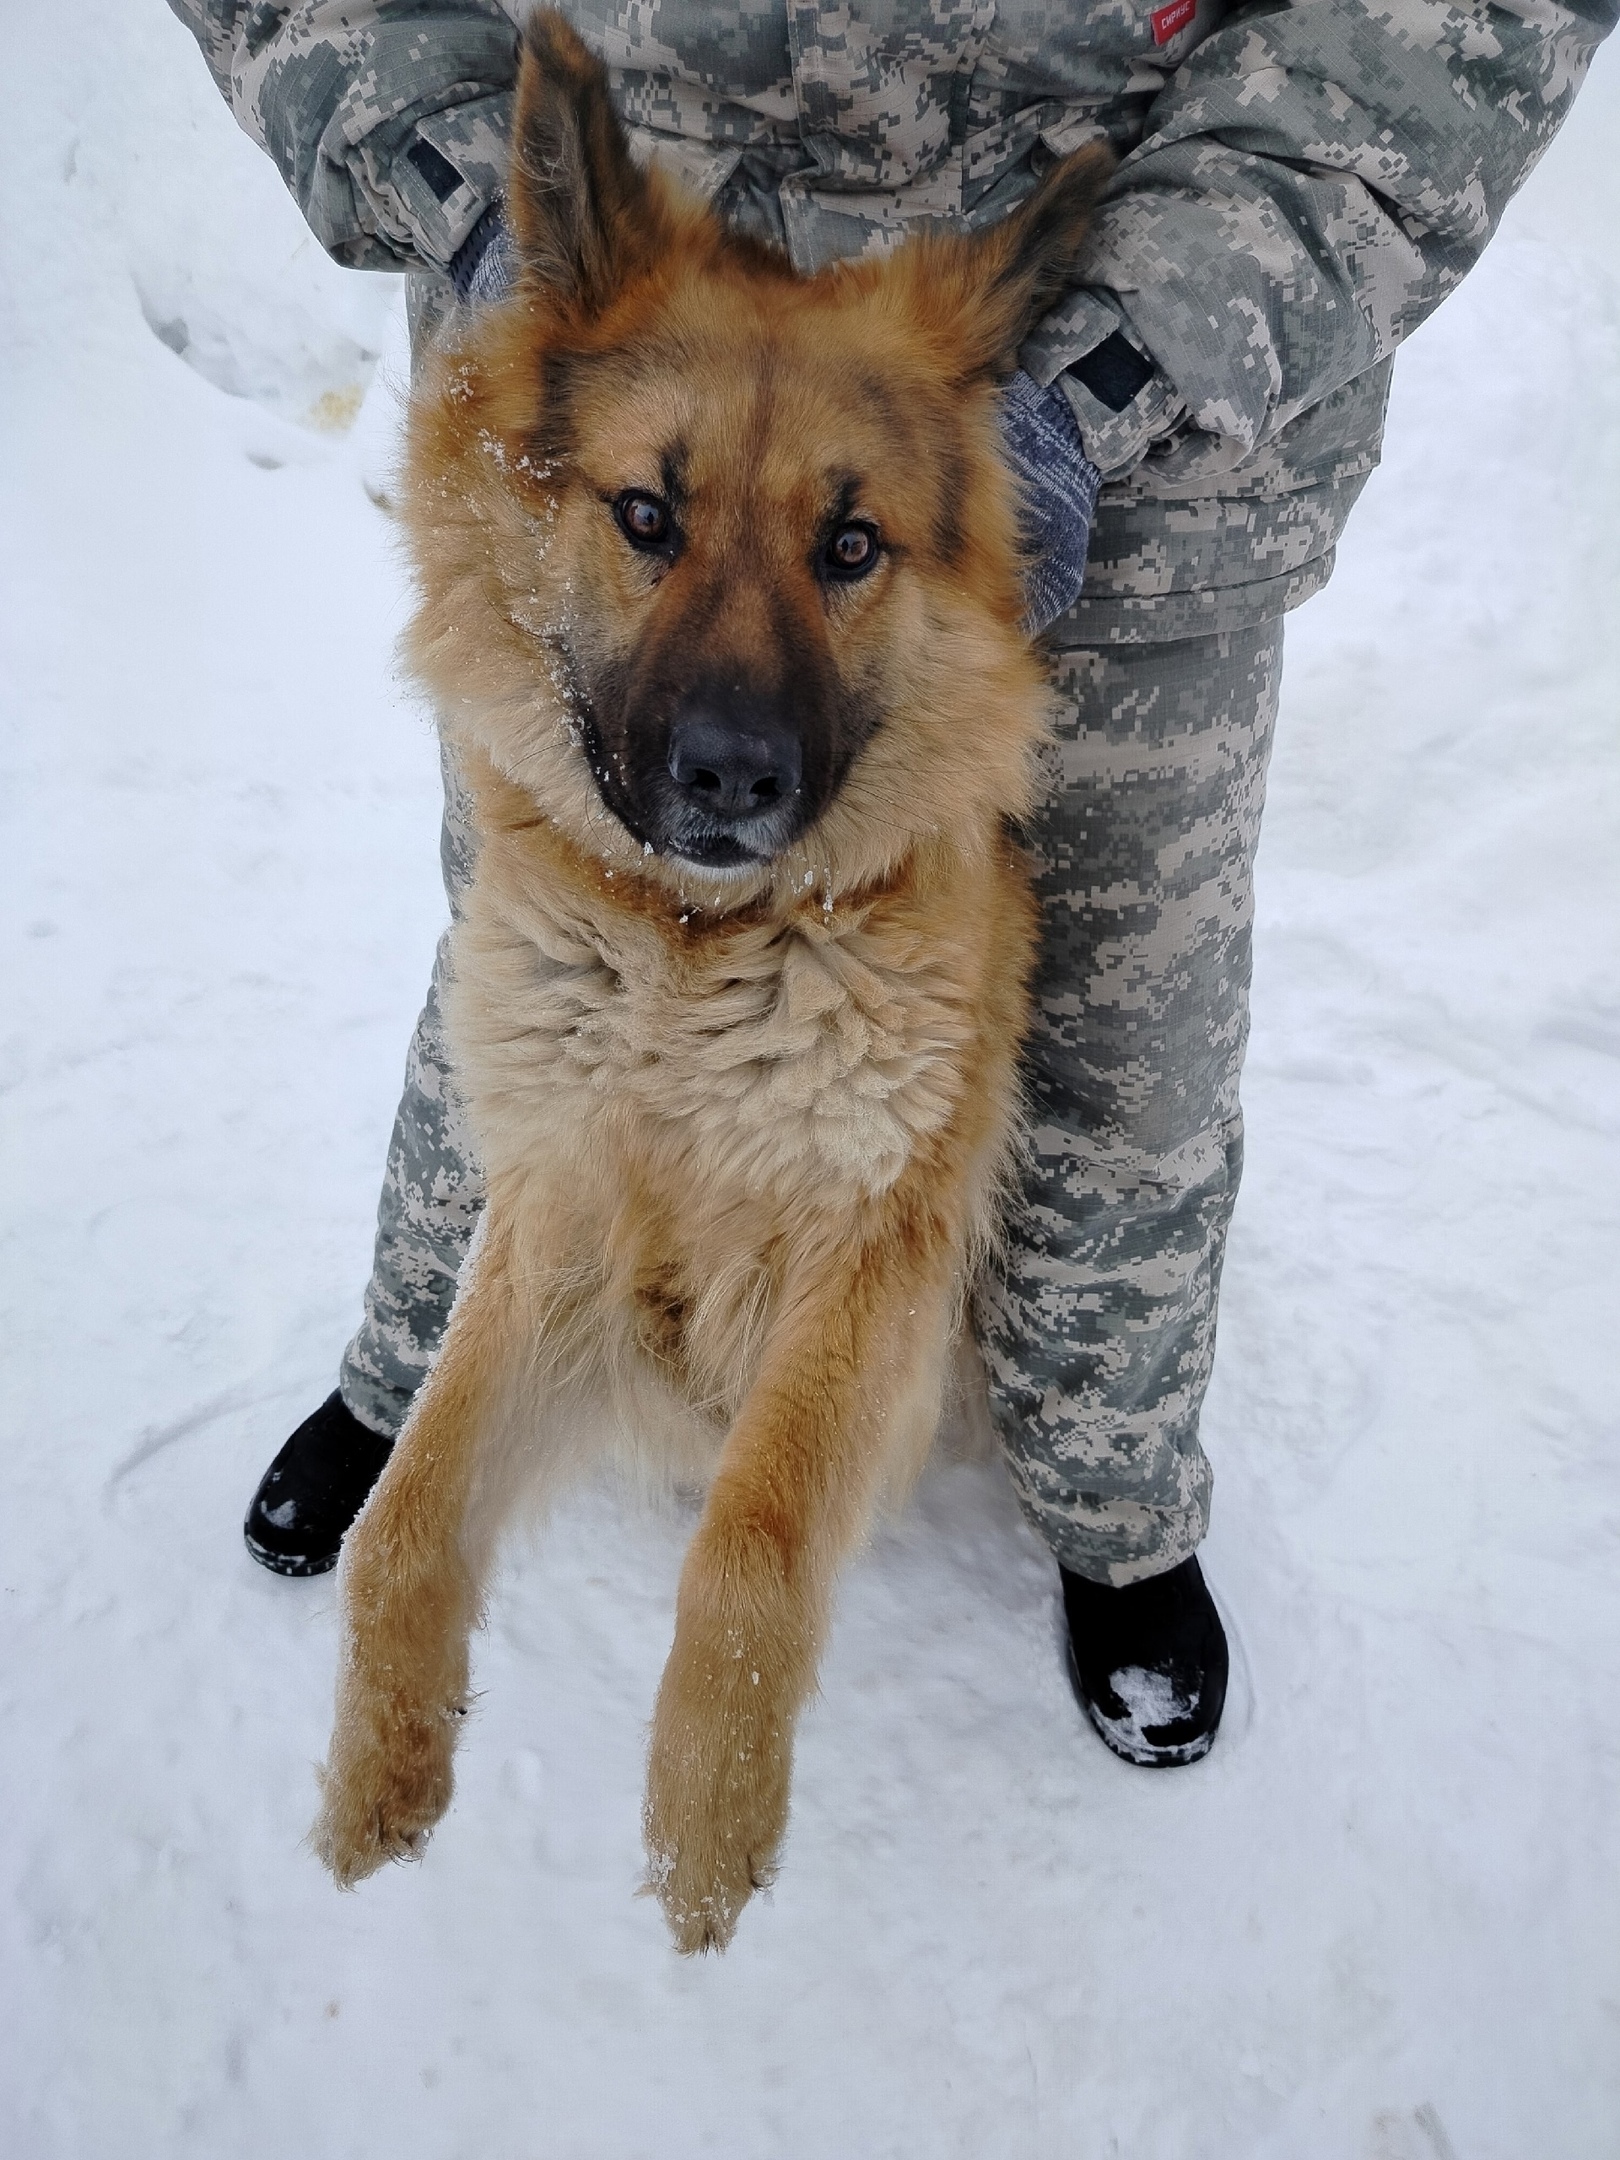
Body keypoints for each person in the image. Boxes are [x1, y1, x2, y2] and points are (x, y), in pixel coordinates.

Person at [169, 0, 1612, 1767]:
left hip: (1100, 331)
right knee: (550, 963)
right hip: (619, 298)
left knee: (1112, 1048)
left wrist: (1119, 359)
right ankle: (415, 1374)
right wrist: (453, 171)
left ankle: (1117, 1499)